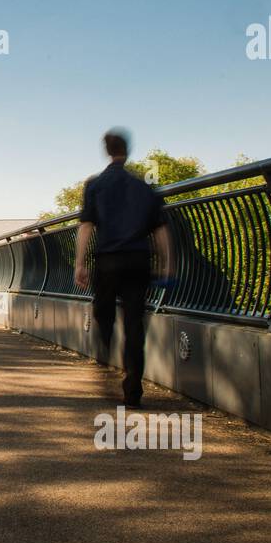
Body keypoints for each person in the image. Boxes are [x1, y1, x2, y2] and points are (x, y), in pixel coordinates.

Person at [73, 130, 172, 408]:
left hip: (108, 261)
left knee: (103, 311)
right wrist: (167, 265)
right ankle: (132, 391)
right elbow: (161, 230)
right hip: (139, 261)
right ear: (127, 151)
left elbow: (86, 226)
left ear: (107, 150)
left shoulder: (95, 185)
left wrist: (80, 263)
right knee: (134, 325)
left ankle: (105, 347)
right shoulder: (144, 187)